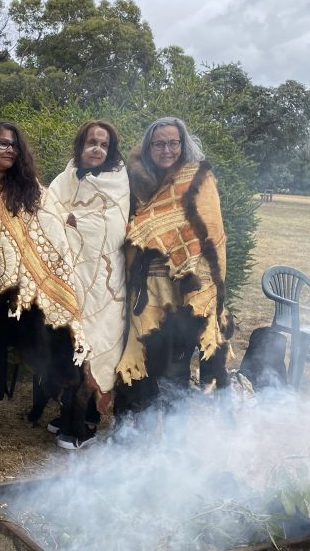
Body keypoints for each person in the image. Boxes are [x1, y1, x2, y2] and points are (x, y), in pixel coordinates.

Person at [0, 121, 88, 445]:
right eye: (1, 143)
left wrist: (68, 224)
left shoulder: (27, 187)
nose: (9, 150)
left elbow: (48, 223)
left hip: (7, 285)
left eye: (13, 145)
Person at [115, 117, 232, 415]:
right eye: (159, 143)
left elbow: (212, 231)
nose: (167, 149)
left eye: (173, 143)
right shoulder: (136, 182)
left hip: (186, 288)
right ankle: (136, 433)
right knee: (143, 356)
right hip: (146, 289)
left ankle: (171, 438)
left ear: (182, 144)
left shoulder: (198, 177)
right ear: (148, 146)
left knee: (176, 364)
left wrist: (206, 286)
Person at [45, 120, 129, 449]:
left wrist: (75, 221)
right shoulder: (66, 178)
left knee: (96, 343)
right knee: (68, 345)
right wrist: (64, 222)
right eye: (91, 142)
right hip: (69, 279)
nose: (96, 149)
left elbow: (114, 225)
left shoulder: (118, 182)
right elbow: (47, 213)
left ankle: (87, 418)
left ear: (110, 151)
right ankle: (69, 410)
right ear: (80, 146)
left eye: (103, 145)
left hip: (104, 282)